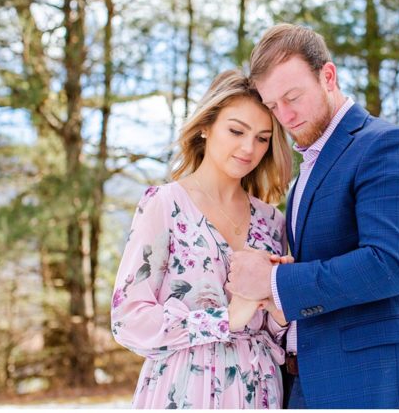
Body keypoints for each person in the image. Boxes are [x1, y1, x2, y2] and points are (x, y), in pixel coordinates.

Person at [227, 24, 399, 408]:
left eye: (293, 98)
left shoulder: (385, 146)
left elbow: (388, 265)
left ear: (328, 76)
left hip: (367, 385)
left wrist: (274, 280)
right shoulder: (309, 164)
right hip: (302, 383)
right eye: (273, 106)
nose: (285, 117)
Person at [111, 69, 294, 409]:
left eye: (262, 138)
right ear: (205, 127)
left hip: (261, 390)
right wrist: (221, 321)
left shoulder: (273, 222)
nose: (248, 148)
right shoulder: (164, 205)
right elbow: (128, 319)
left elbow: (277, 330)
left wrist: (278, 306)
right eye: (236, 130)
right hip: (184, 388)